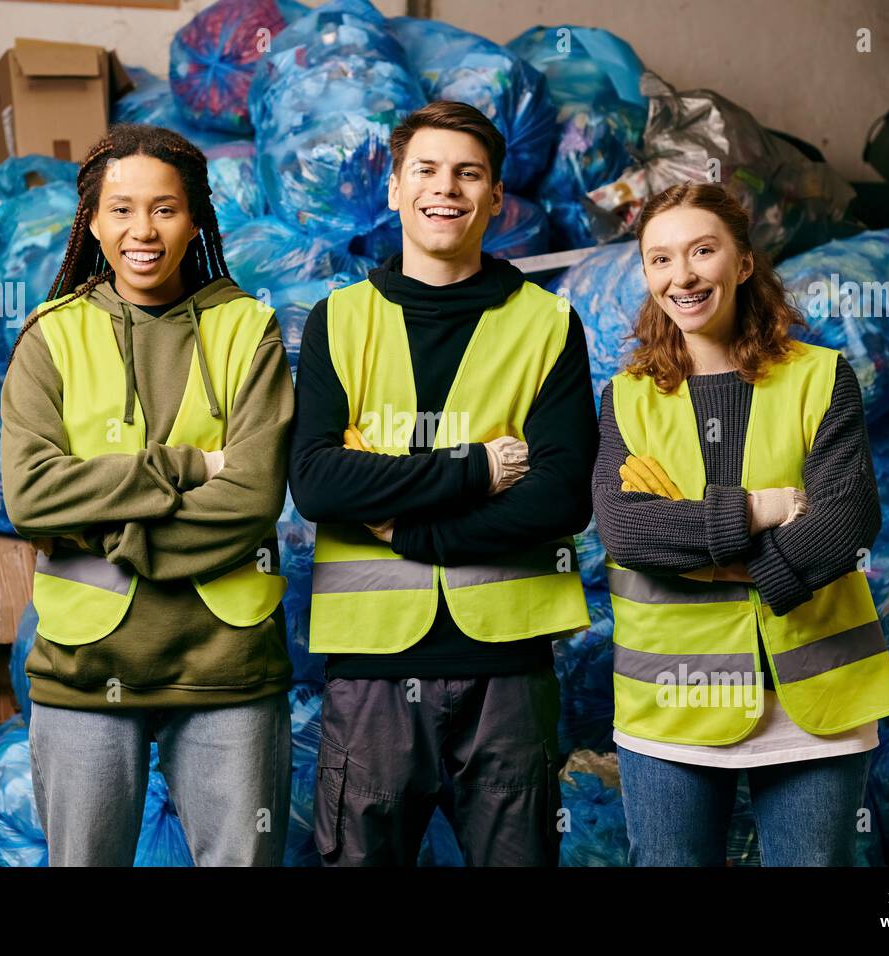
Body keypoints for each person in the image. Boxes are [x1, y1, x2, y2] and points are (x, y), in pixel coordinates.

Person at [289, 101, 598, 866]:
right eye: (425, 170)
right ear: (393, 188)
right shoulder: (338, 320)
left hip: (507, 666)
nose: (445, 189)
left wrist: (417, 530)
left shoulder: (549, 324)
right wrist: (479, 469)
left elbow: (563, 494)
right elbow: (320, 482)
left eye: (468, 173)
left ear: (497, 197)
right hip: (371, 671)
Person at [0, 123, 294, 866]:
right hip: (84, 668)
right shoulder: (50, 337)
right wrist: (185, 465)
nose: (143, 230)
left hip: (226, 664)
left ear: (195, 218)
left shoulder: (248, 330)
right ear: (92, 222)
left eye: (164, 209)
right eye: (121, 209)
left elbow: (255, 498)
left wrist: (113, 526)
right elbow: (30, 497)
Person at [592, 182, 889, 866]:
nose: (684, 275)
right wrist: (760, 512)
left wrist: (716, 561)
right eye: (661, 259)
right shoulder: (626, 399)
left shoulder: (821, 377)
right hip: (671, 703)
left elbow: (847, 520)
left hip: (815, 700)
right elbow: (626, 532)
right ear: (647, 276)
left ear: (742, 264)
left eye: (704, 251)